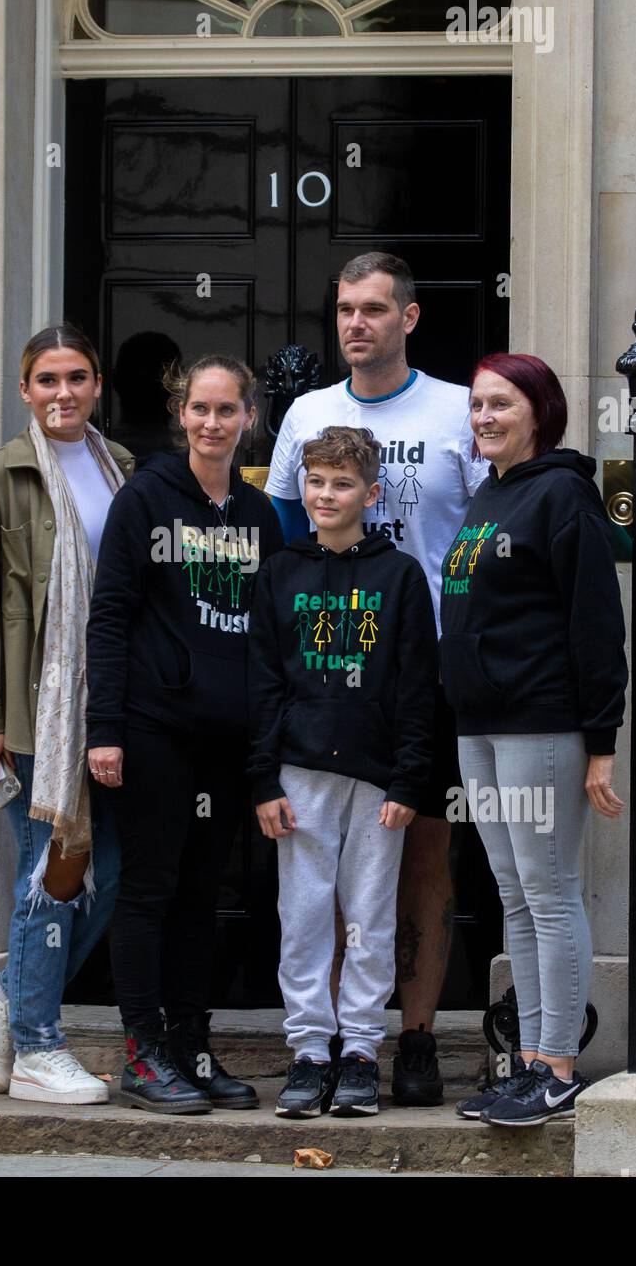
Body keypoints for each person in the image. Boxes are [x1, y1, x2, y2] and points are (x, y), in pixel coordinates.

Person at [265, 251, 487, 1104]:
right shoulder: (307, 416)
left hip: (423, 671)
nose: (356, 323)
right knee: (315, 878)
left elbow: (482, 531)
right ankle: (318, 1047)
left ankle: (415, 1036)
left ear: (409, 317)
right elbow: (289, 537)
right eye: (345, 308)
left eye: (373, 309)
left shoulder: (455, 410)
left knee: (421, 857)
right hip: (325, 673)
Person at [86, 354, 285, 1113]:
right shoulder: (143, 501)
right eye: (198, 409)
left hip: (226, 738)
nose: (211, 423)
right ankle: (142, 1053)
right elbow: (109, 616)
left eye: (226, 410)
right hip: (153, 730)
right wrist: (105, 728)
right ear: (179, 414)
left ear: (248, 419)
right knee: (148, 890)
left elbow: (267, 642)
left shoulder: (261, 517)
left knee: (204, 895)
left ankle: (191, 1046)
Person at [441, 353, 627, 1126]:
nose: (484, 416)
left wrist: (601, 739)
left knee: (548, 893)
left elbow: (595, 622)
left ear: (540, 409)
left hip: (541, 723)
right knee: (514, 892)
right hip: (479, 727)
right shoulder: (489, 494)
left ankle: (557, 1066)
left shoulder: (564, 495)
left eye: (501, 403)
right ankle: (525, 1062)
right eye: (478, 404)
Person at [0, 325, 133, 1104]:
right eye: (48, 379)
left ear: (97, 384)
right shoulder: (1, 475)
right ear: (25, 389)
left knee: (106, 872)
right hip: (36, 715)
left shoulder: (117, 465)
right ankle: (35, 1043)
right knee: (54, 868)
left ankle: (5, 987)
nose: (64, 393)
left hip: (106, 707)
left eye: (78, 377)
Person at [248, 427, 436, 1118]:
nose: (327, 494)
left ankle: (359, 1049)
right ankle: (308, 1050)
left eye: (343, 483)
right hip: (298, 773)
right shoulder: (281, 572)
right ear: (302, 485)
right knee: (302, 915)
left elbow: (417, 686)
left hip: (378, 776)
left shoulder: (400, 576)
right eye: (317, 481)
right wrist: (262, 779)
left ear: (371, 492)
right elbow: (263, 682)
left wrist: (411, 777)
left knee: (368, 914)